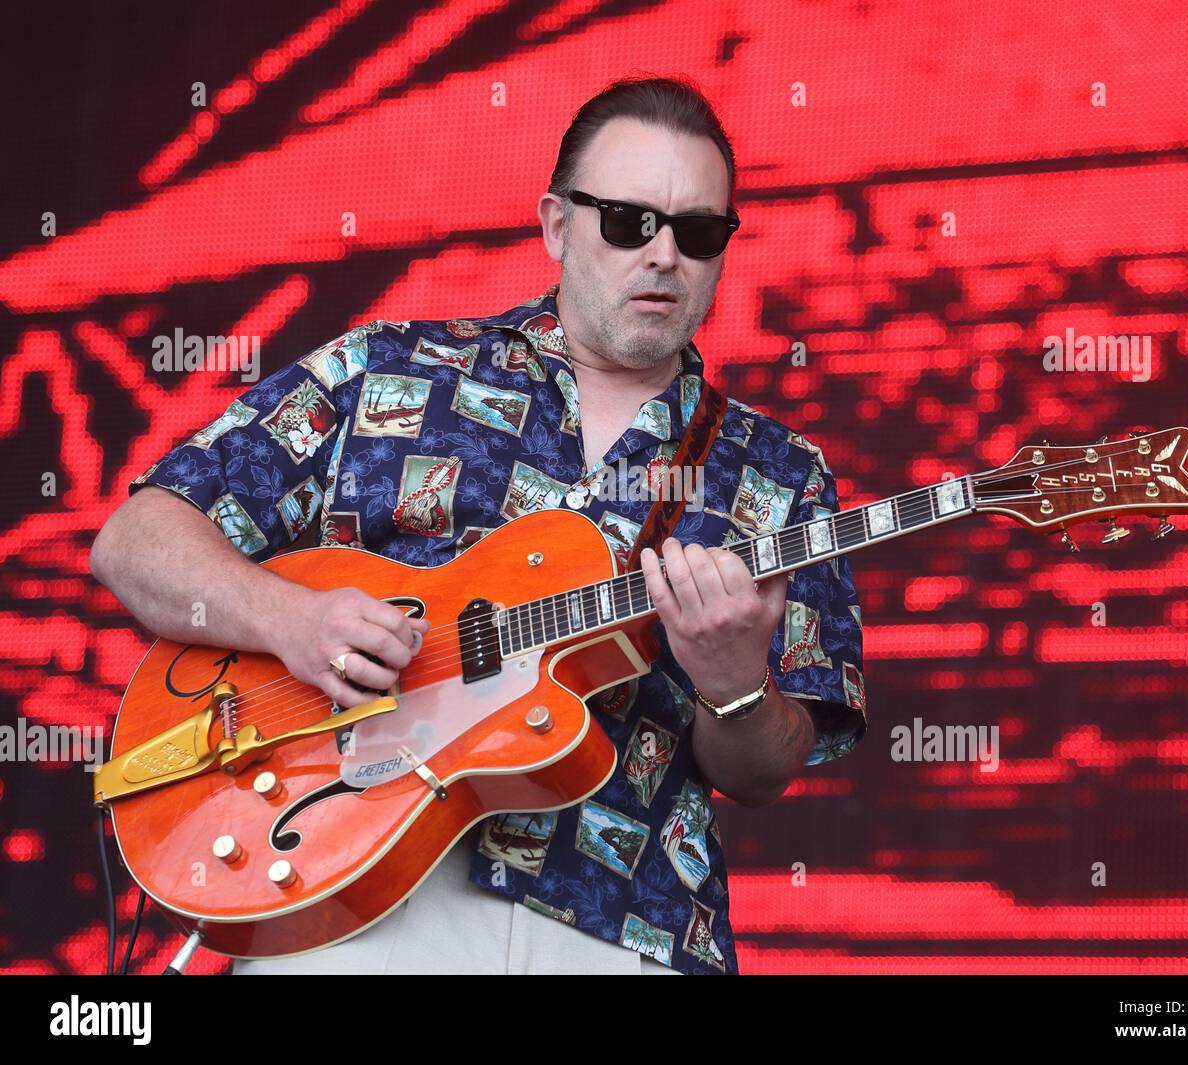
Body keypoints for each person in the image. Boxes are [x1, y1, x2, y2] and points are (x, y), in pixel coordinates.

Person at [90, 75, 867, 975]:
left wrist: (731, 682)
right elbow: (138, 540)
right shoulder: (383, 366)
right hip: (355, 894)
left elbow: (764, 770)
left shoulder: (779, 473)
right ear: (555, 225)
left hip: (629, 923)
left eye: (697, 232)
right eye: (627, 222)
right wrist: (292, 621)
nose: (662, 255)